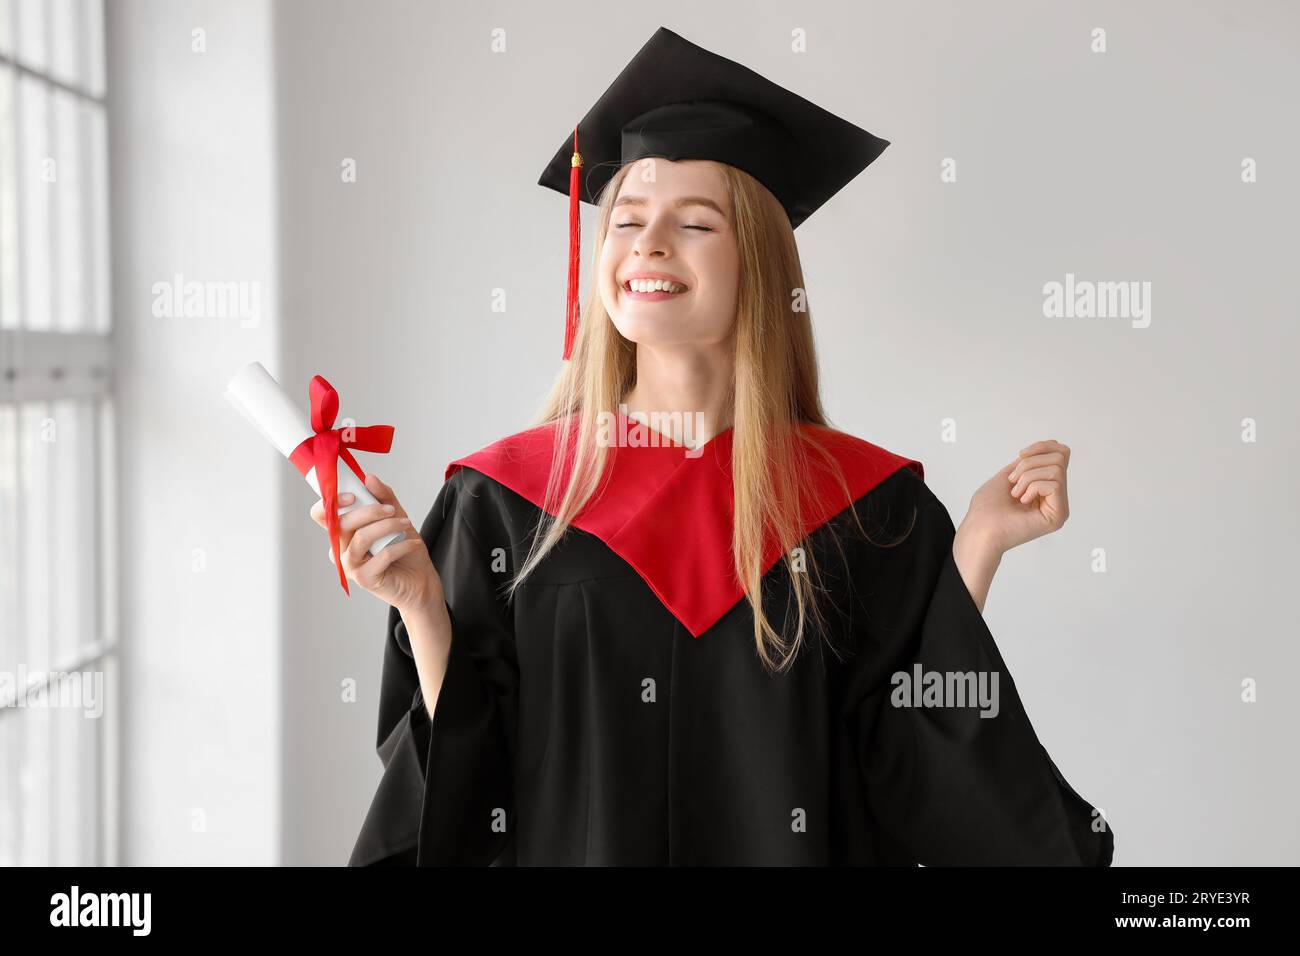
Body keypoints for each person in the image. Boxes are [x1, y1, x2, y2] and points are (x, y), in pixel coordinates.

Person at [317, 26, 1115, 866]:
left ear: (760, 266)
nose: (649, 244)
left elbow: (914, 767)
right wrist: (421, 608)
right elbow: (468, 791)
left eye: (695, 224)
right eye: (626, 220)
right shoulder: (504, 501)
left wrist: (977, 550)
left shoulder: (868, 506)